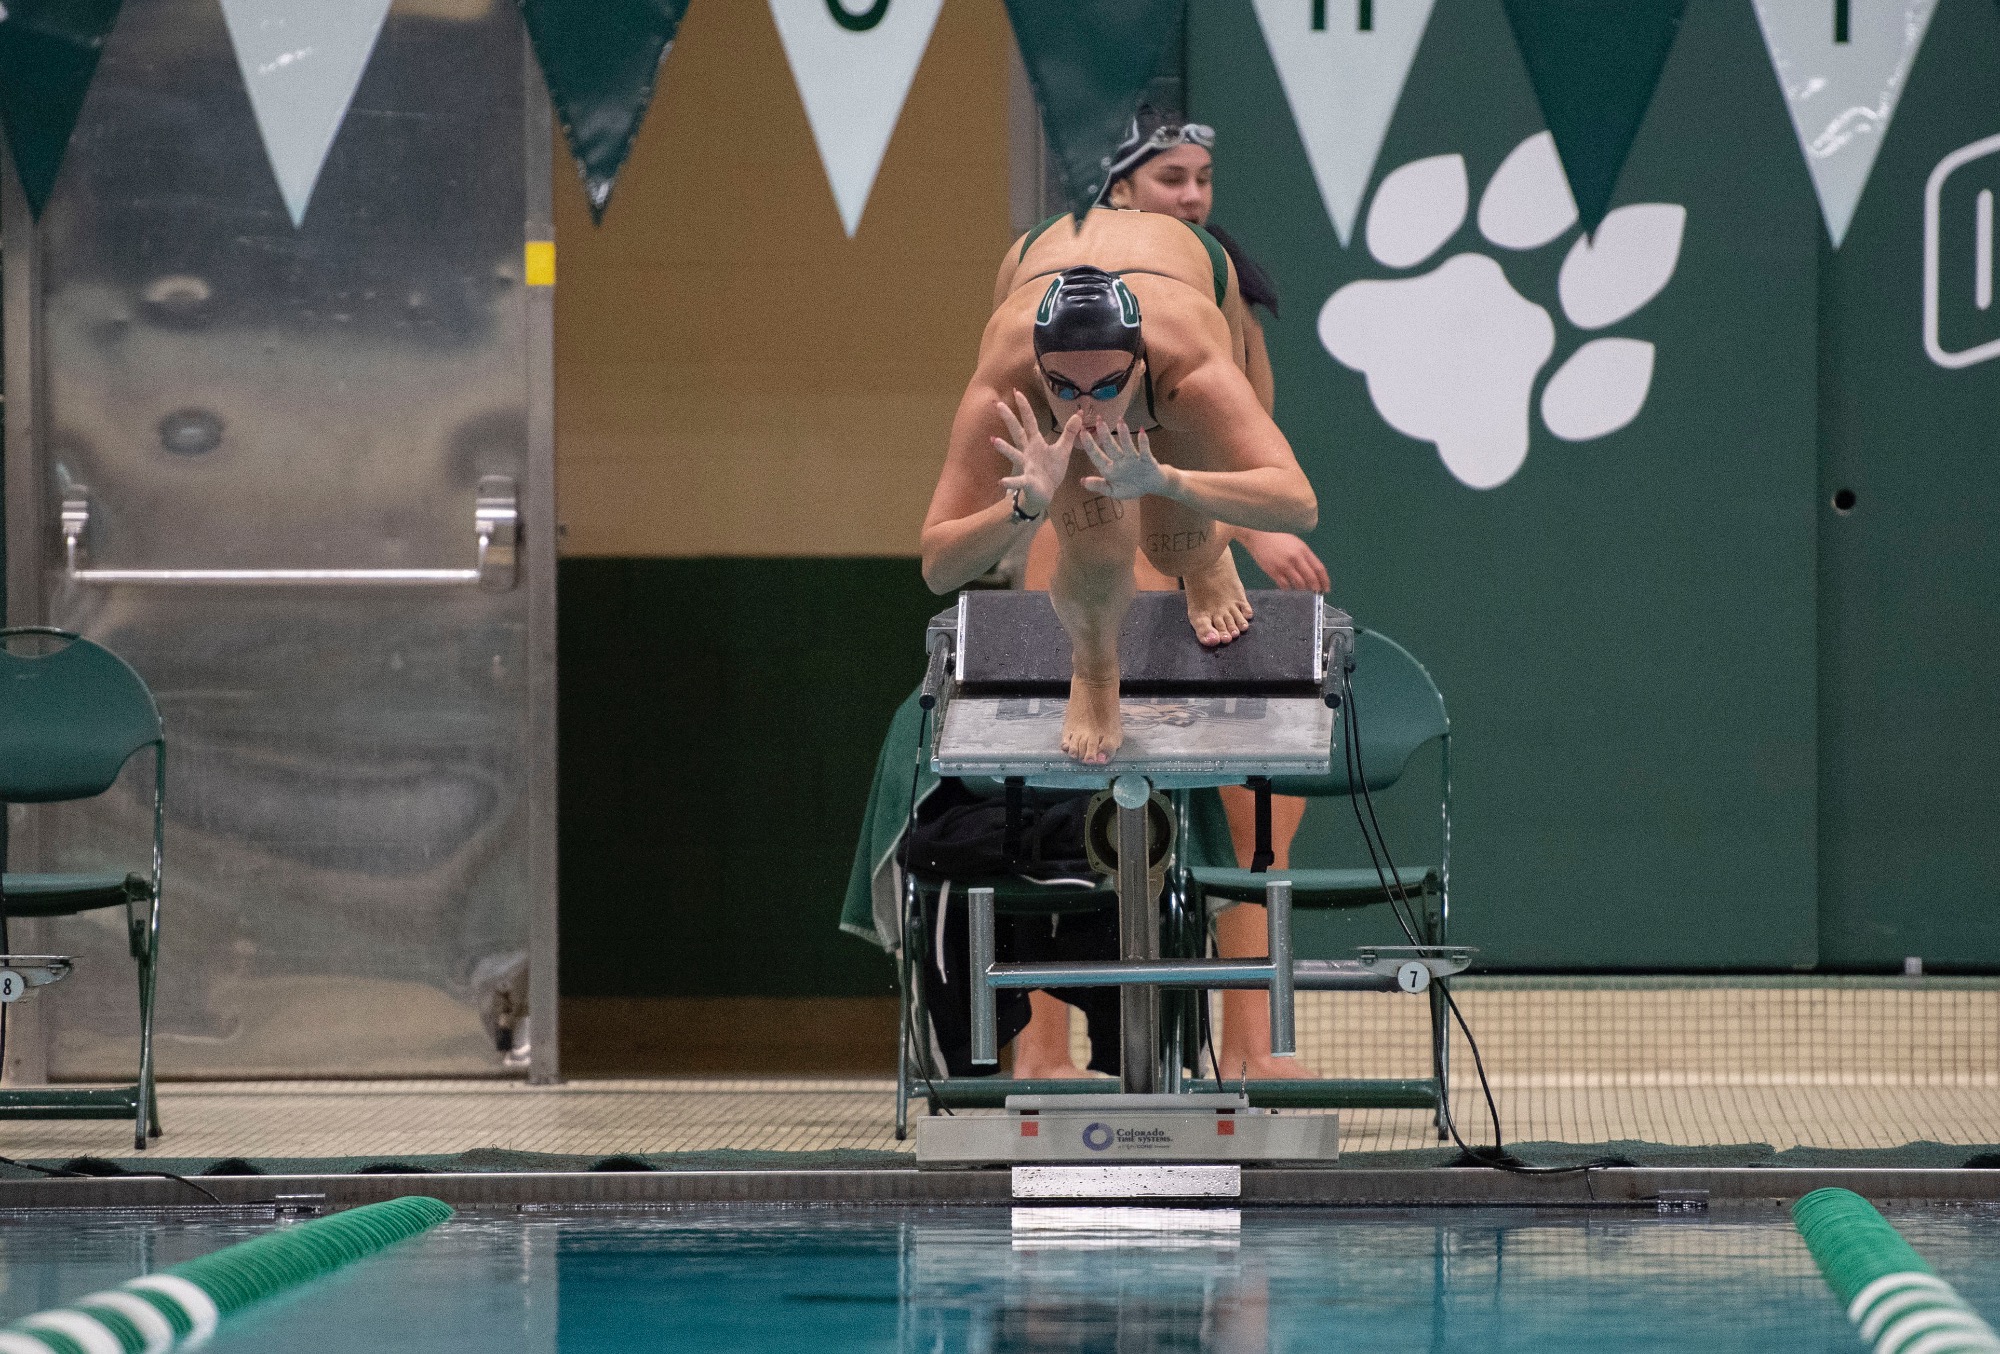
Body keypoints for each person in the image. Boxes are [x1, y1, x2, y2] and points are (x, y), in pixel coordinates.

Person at [1011, 113, 1329, 1080]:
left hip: (1188, 515)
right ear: (1117, 195)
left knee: (1256, 799)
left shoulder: (1218, 291)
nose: (1191, 196)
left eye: (1202, 177)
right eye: (1169, 179)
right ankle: (1040, 1048)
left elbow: (1249, 428)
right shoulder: (1063, 299)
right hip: (1086, 529)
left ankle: (1251, 1045)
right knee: (1059, 801)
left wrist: (1245, 530)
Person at [922, 210, 1317, 768]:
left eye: (1107, 387)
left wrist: (1169, 481)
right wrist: (1022, 509)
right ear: (1039, 369)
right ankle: (1094, 670)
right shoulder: (1006, 389)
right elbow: (938, 567)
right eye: (1065, 389)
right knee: (1097, 555)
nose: (1086, 409)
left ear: (1139, 368)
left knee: (1179, 549)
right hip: (1036, 258)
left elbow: (1299, 503)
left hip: (1189, 267)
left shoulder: (1189, 371)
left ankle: (1208, 557)